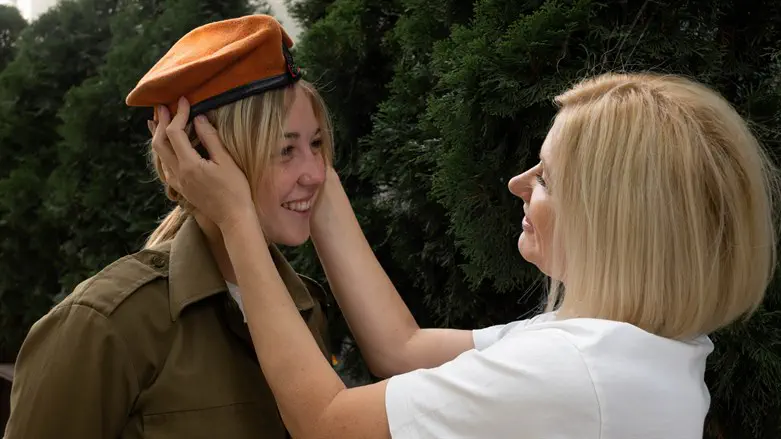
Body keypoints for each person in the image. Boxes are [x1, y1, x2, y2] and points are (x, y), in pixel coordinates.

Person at [155, 71, 778, 439]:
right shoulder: (631, 350)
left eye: (548, 178)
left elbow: (326, 423)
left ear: (616, 222)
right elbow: (399, 349)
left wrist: (239, 216)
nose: (518, 184)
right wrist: (312, 168)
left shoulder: (572, 374)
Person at [4, 15, 336, 439]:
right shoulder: (106, 325)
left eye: (316, 144)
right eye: (285, 149)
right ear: (205, 161)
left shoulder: (305, 307)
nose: (315, 173)